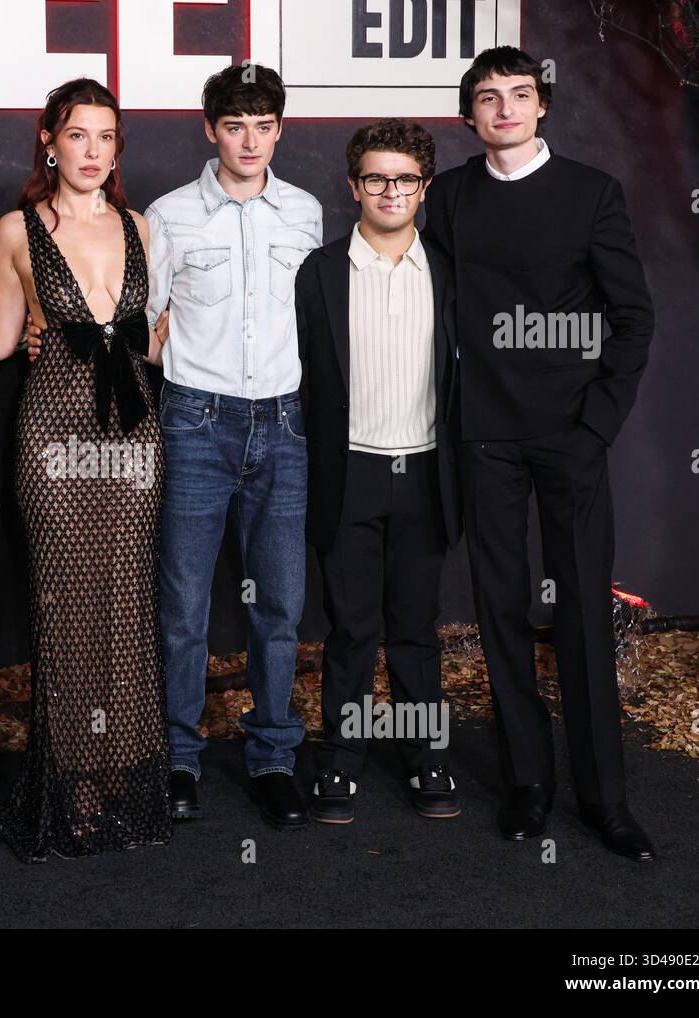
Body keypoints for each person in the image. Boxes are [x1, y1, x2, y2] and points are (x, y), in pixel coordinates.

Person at [422, 47, 656, 860]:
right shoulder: (447, 197)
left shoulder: (592, 193)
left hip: (569, 436)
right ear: (470, 115)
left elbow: (634, 318)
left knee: (584, 611)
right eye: (488, 98)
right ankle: (528, 782)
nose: (505, 109)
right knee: (501, 610)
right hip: (484, 436)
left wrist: (593, 428)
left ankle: (604, 797)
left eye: (519, 95)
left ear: (542, 105)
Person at [0, 77, 171, 861]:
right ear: (48, 141)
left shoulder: (141, 227)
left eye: (105, 137)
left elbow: (151, 345)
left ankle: (124, 772)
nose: (92, 151)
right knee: (64, 610)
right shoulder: (14, 229)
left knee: (125, 605)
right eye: (77, 135)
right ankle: (75, 785)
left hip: (131, 441)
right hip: (53, 439)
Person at [144, 63, 322, 830]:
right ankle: (178, 756)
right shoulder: (171, 214)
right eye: (234, 125)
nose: (250, 139)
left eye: (263, 125)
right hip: (195, 420)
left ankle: (273, 756)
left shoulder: (307, 214)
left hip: (284, 423)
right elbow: (145, 325)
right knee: (183, 601)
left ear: (279, 130)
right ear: (210, 130)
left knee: (278, 601)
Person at [295, 119, 463, 825]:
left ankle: (427, 753)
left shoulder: (453, 275)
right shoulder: (321, 272)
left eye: (404, 179)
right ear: (352, 186)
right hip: (351, 471)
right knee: (352, 627)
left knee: (416, 627)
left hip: (426, 471)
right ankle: (342, 758)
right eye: (375, 178)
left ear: (424, 188)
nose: (389, 191)